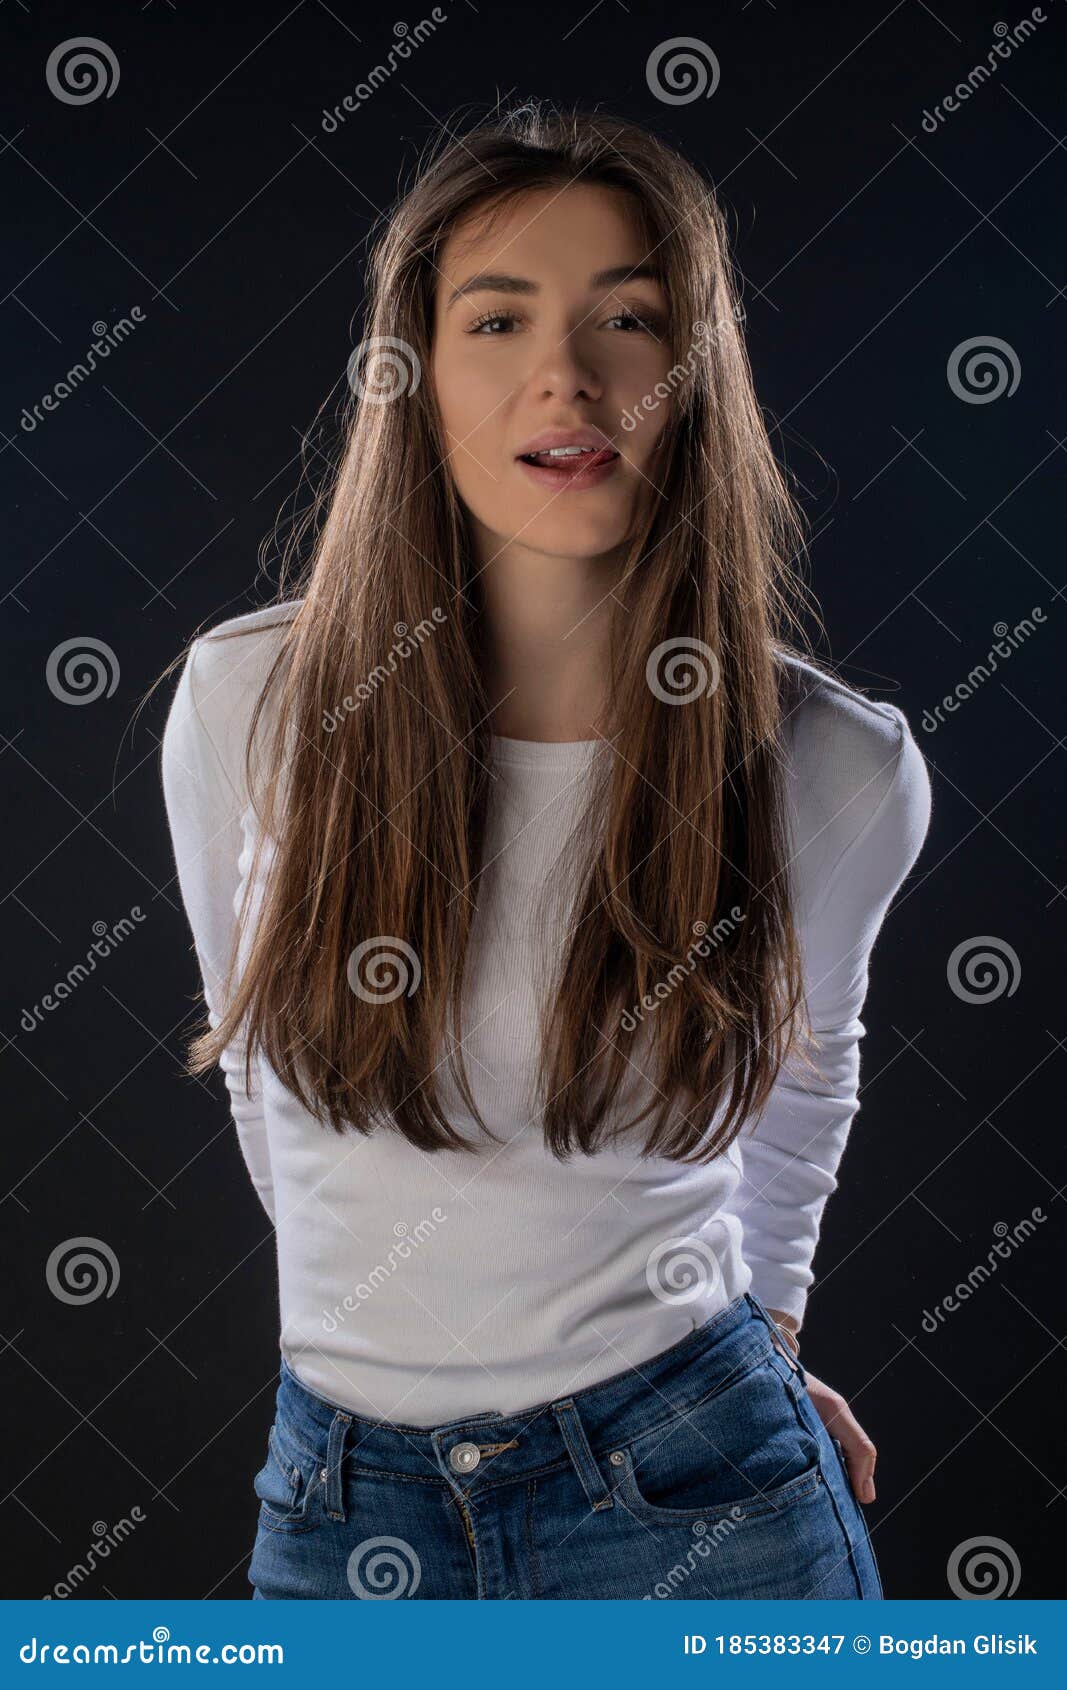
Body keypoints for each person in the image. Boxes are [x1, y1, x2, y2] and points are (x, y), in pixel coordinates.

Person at [160, 101, 932, 1600]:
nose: (565, 375)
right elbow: (266, 1074)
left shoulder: (833, 762)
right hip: (340, 1503)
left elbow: (807, 1066)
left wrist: (763, 1340)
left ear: (693, 377)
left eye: (627, 319)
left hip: (702, 1493)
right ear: (415, 375)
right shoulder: (247, 704)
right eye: (497, 319)